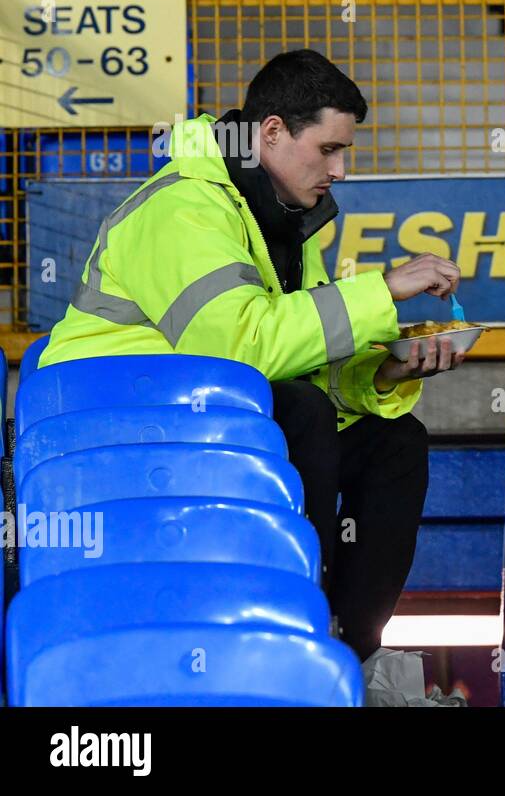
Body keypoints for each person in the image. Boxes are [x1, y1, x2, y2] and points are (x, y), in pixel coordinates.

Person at [39, 49, 463, 668]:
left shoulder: (281, 221)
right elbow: (237, 352)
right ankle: (296, 640)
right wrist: (382, 290)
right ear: (270, 133)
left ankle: (350, 655)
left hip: (209, 422)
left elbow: (296, 356)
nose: (340, 170)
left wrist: (383, 374)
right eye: (329, 149)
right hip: (114, 425)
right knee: (299, 413)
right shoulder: (181, 208)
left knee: (395, 441)